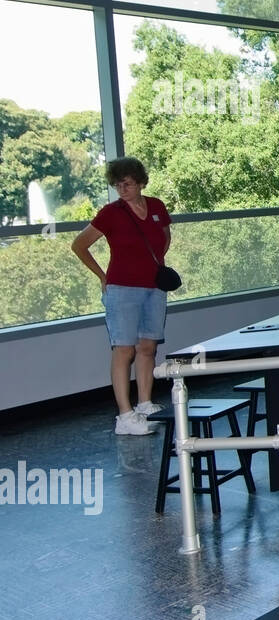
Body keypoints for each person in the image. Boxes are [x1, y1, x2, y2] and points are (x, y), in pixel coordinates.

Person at [71, 158, 172, 436]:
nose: (121, 188)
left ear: (140, 182)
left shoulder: (156, 206)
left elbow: (164, 235)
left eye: (126, 183)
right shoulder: (110, 213)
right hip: (122, 289)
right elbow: (79, 245)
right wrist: (103, 276)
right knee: (124, 349)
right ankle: (125, 415)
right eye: (117, 184)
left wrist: (158, 264)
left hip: (154, 287)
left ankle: (145, 404)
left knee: (148, 347)